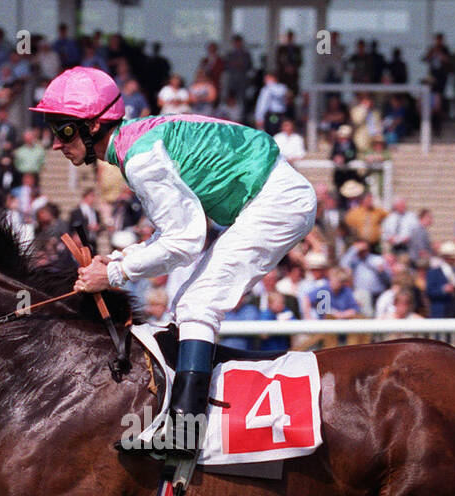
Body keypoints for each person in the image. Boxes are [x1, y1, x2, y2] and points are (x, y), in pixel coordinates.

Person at [36, 66, 316, 457]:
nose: (56, 144)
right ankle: (184, 412)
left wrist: (114, 272)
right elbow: (179, 233)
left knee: (199, 303)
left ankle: (186, 427)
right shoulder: (136, 143)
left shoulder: (141, 159)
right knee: (182, 303)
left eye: (64, 130)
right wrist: (119, 259)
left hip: (276, 201)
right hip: (265, 197)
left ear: (95, 126)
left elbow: (185, 242)